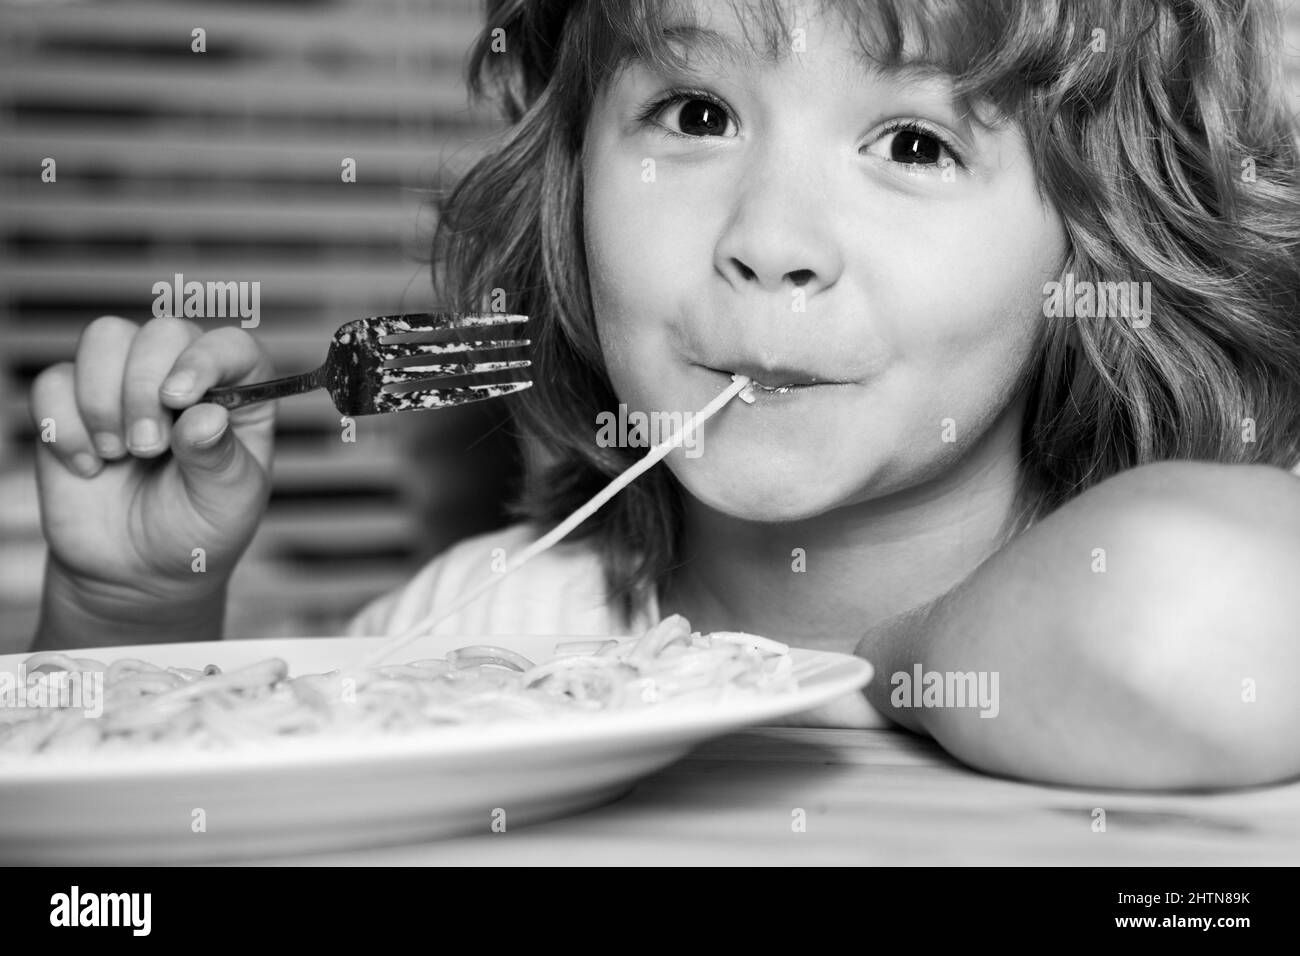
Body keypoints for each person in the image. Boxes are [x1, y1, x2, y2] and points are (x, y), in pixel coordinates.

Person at [28, 0, 1300, 788]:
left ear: (1098, 244)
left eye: (914, 143)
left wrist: (860, 670)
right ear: (569, 191)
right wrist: (132, 612)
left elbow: (1184, 619)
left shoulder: (1200, 577)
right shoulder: (481, 634)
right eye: (693, 112)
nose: (770, 237)